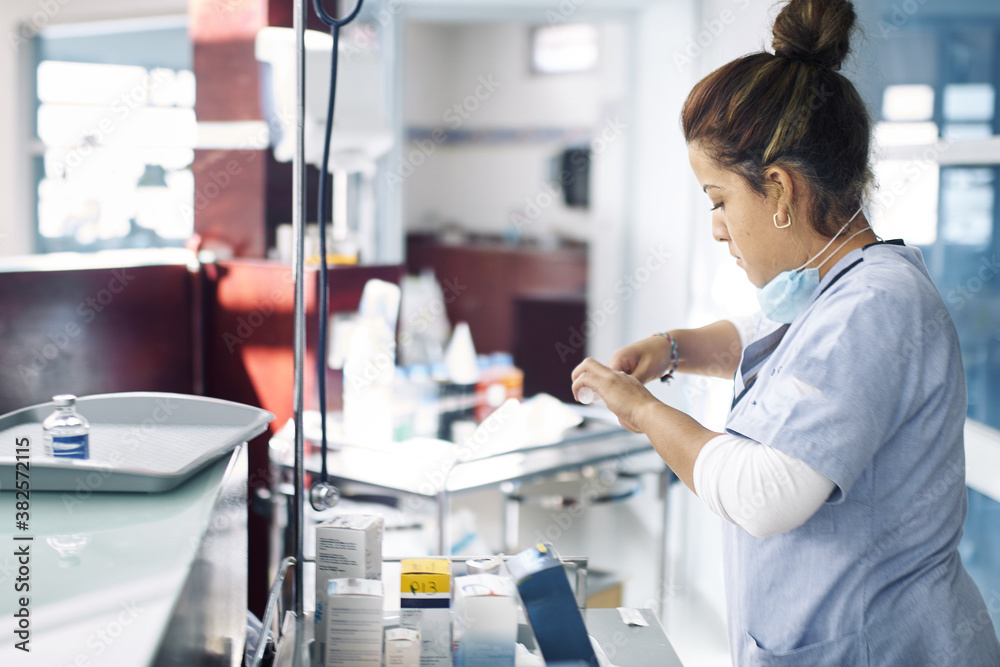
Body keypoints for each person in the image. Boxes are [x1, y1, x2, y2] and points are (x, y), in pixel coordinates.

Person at [570, 0, 1000, 664]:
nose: (716, 227)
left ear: (777, 190)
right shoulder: (837, 284)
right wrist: (675, 348)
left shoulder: (877, 304)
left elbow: (761, 492)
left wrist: (642, 411)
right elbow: (770, 338)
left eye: (719, 201)